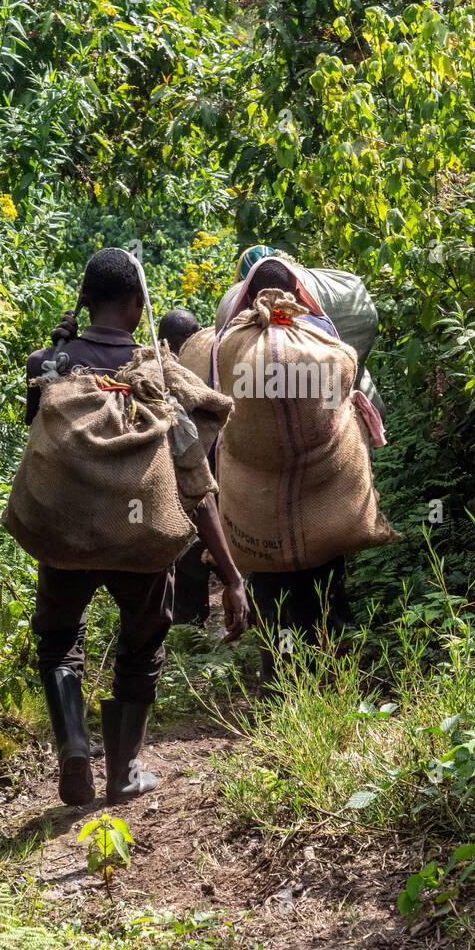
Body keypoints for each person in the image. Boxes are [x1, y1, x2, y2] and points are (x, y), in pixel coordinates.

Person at [25, 251, 248, 806]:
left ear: (84, 300)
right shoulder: (161, 375)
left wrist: (57, 347)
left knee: (58, 640)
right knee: (142, 643)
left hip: (69, 535)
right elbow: (195, 484)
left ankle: (74, 745)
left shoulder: (49, 364)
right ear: (136, 304)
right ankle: (123, 773)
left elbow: (39, 427)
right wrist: (232, 576)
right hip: (141, 540)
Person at [213, 255, 355, 677]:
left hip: (259, 505)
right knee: (324, 591)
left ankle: (279, 682)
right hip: (320, 492)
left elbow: (219, 406)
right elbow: (344, 389)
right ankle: (330, 679)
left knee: (272, 595)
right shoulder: (321, 333)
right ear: (297, 291)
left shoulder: (231, 341)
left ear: (248, 294)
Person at [215, 244, 384, 413]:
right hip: (318, 422)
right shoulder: (321, 326)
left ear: (248, 297)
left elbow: (219, 388)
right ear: (297, 293)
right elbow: (337, 386)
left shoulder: (230, 336)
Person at [156, 308, 214, 625]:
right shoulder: (177, 376)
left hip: (182, 479)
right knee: (190, 550)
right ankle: (189, 621)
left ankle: (187, 618)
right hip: (184, 479)